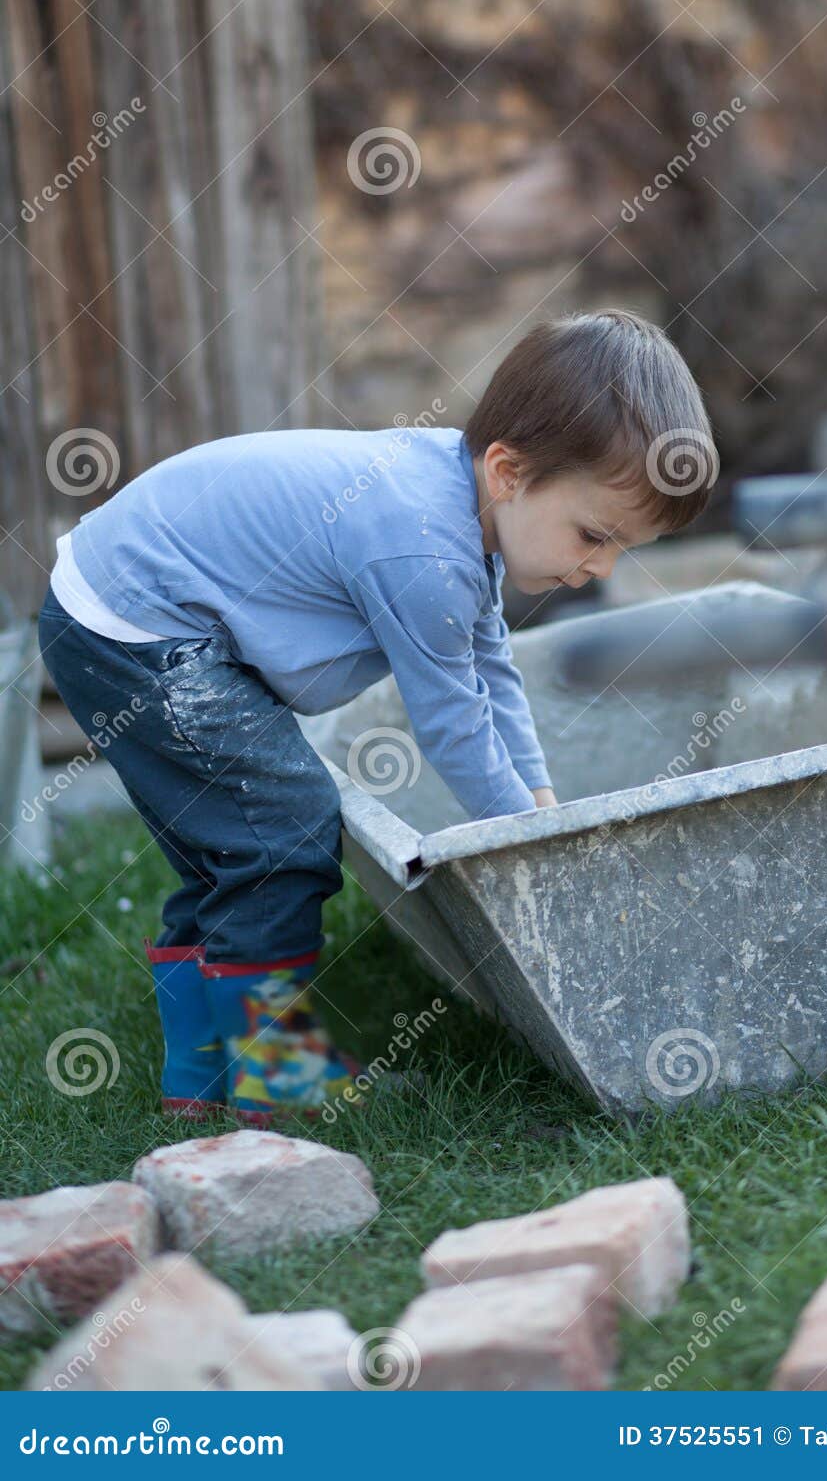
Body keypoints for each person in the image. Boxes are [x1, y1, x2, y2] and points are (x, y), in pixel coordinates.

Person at [38, 308, 716, 1122]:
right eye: (592, 535)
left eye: (619, 548)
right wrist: (522, 849)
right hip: (135, 628)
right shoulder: (423, 548)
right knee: (285, 826)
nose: (600, 567)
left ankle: (198, 1079)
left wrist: (539, 811)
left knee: (226, 855)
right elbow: (452, 723)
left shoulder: (459, 501)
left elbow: (491, 671)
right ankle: (276, 1078)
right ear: (509, 471)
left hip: (119, 611)